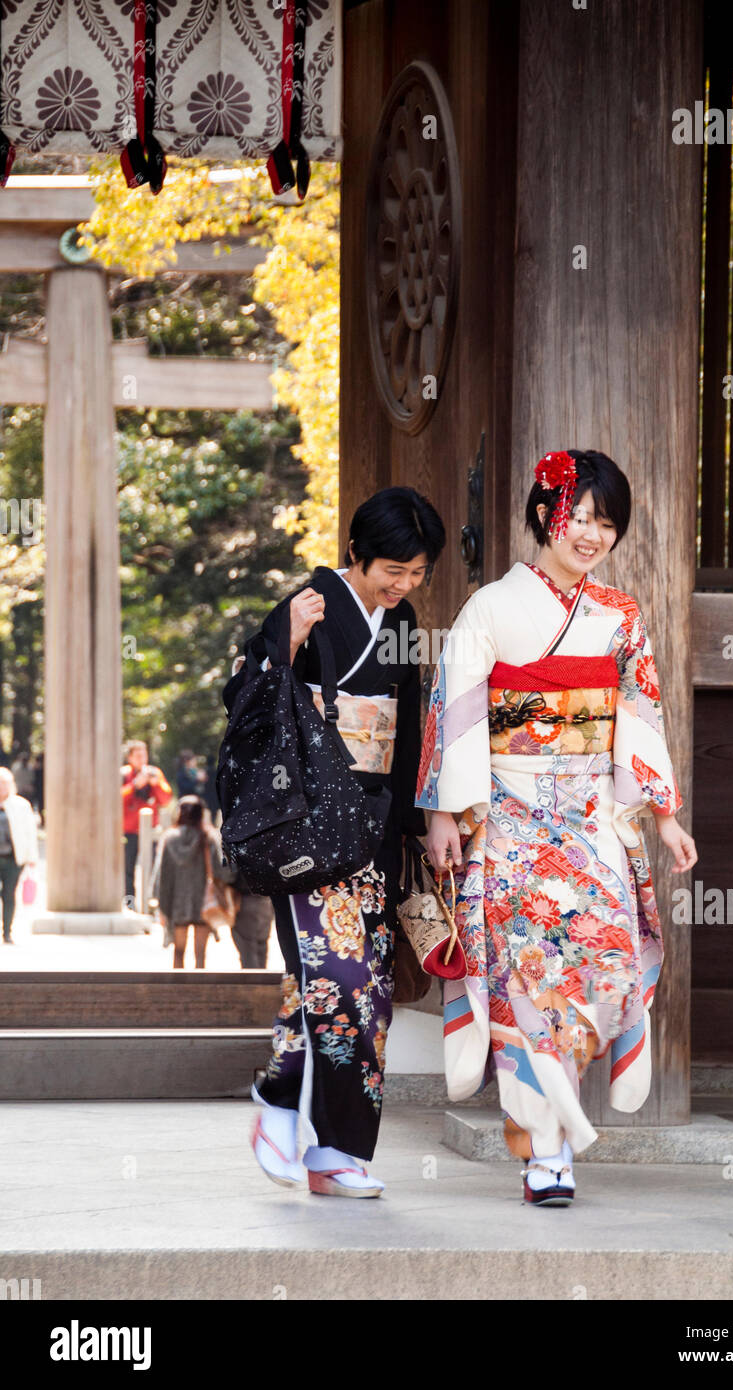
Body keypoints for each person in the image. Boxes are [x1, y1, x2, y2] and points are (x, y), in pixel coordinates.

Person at [419, 449, 697, 1206]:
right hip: (508, 819)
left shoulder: (621, 615)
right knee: (529, 981)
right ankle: (546, 1153)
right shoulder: (491, 608)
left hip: (591, 820)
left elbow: (638, 715)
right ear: (546, 514)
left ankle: (561, 1100)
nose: (590, 534)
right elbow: (455, 715)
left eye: (605, 523)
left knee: (602, 963)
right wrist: (443, 813)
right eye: (577, 516)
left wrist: (664, 816)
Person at [224, 486, 445, 1198]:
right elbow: (243, 705)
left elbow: (407, 720)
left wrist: (419, 818)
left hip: (373, 828)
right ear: (355, 551)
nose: (403, 584)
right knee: (334, 977)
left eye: (416, 573)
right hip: (312, 825)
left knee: (369, 991)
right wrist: (282, 647)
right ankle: (280, 1103)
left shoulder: (402, 619)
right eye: (392, 569)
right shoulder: (310, 605)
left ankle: (335, 1153)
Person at [149, 794, 236, 969]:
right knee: (200, 954)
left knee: (178, 951)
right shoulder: (208, 838)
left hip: (177, 902)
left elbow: (161, 872)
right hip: (203, 901)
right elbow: (222, 871)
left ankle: (177, 989)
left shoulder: (170, 838)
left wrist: (159, 899)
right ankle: (200, 990)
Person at [121, 741, 173, 905]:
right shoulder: (123, 774)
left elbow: (166, 798)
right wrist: (134, 785)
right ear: (130, 758)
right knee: (127, 869)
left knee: (153, 867)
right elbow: (116, 798)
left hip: (150, 829)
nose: (141, 759)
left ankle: (152, 902)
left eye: (144, 755)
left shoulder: (155, 772)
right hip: (128, 829)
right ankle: (129, 902)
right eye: (137, 756)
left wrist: (155, 784)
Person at [0, 766, 39, 945]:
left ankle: (7, 931)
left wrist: (32, 857)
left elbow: (30, 832)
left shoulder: (20, 805)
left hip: (12, 859)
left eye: (4, 783)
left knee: (9, 895)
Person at [230, 865, 274, 969]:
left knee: (247, 947)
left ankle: (253, 981)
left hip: (245, 897)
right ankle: (262, 980)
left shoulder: (239, 848)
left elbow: (227, 874)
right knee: (261, 944)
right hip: (266, 899)